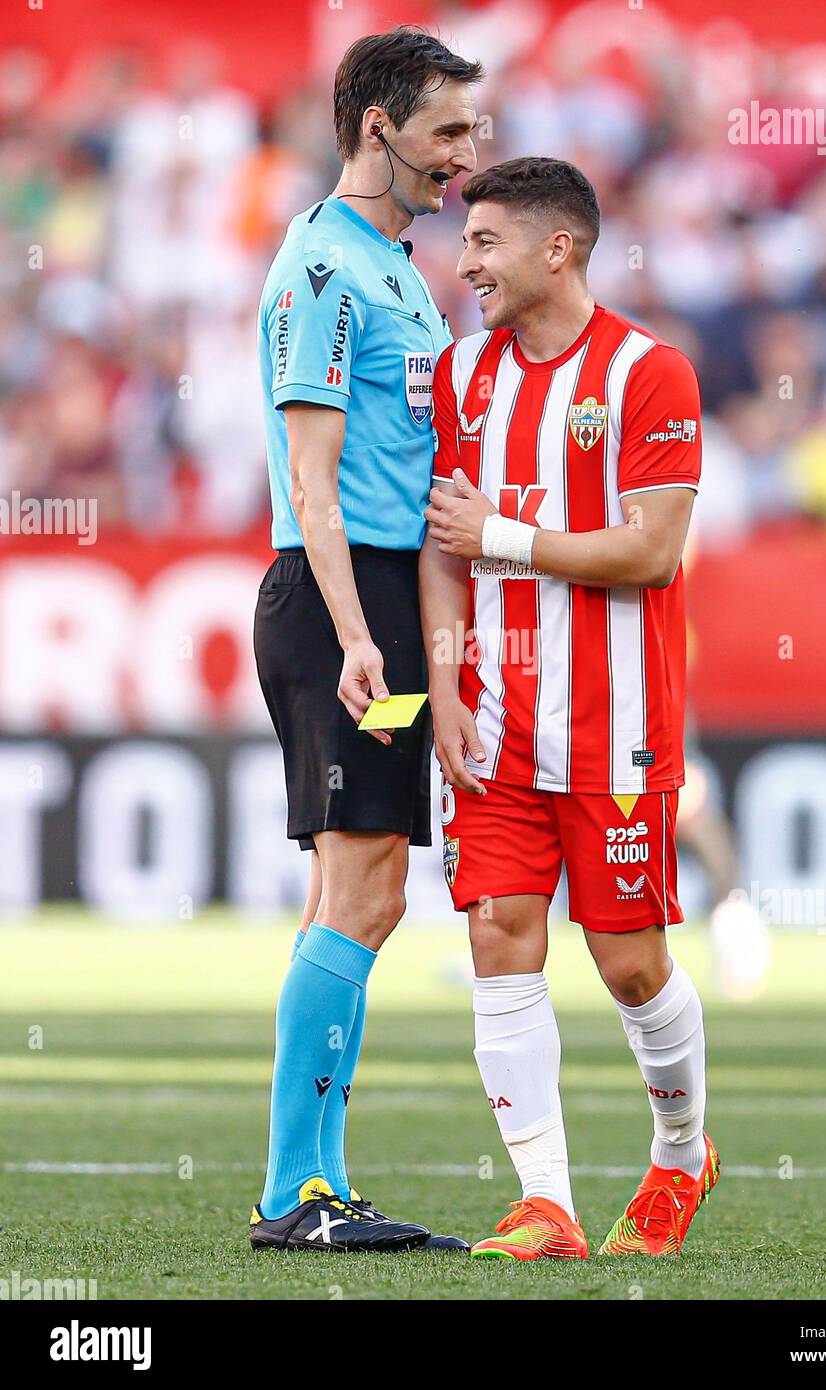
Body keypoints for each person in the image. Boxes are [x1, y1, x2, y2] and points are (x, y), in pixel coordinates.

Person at [420, 157, 718, 1260]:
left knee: (630, 963)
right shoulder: (462, 378)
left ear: (560, 247)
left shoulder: (650, 373)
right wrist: (446, 680)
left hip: (619, 725)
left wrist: (502, 533)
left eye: (487, 241)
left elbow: (650, 551)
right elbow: (439, 545)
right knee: (498, 932)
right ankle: (547, 1202)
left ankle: (682, 1155)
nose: (467, 263)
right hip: (495, 721)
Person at [249, 27, 481, 1254]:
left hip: (382, 601)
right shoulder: (327, 272)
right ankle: (297, 1196)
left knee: (352, 894)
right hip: (346, 605)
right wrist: (359, 636)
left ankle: (319, 1184)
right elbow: (315, 479)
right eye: (446, 131)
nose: (464, 157)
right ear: (377, 127)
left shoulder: (396, 268)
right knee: (368, 891)